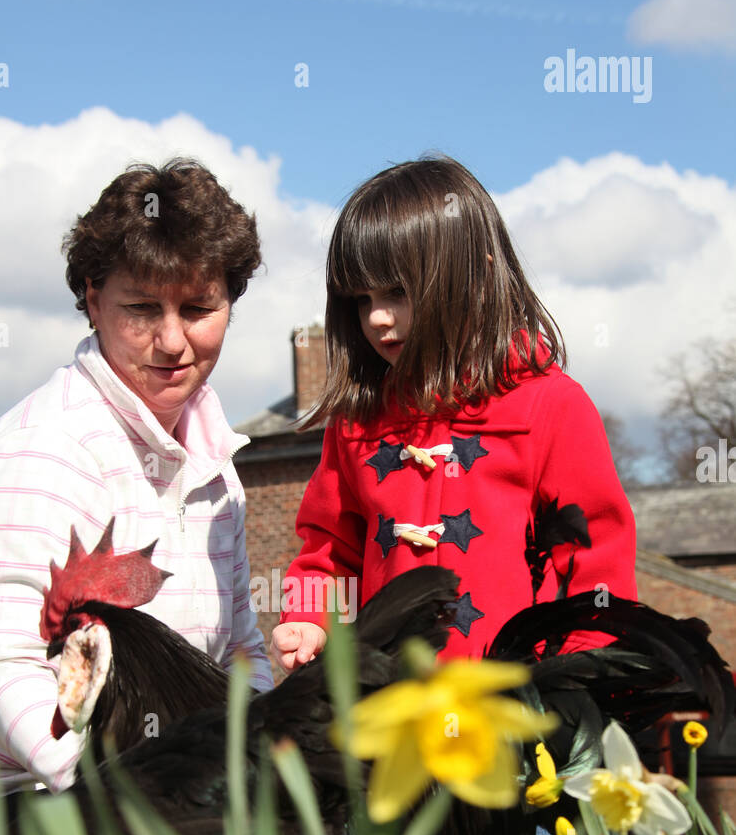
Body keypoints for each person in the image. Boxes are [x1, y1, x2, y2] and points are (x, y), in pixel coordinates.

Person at [0, 159, 272, 835]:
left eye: (199, 309)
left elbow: (240, 652)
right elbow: (3, 677)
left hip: (139, 794)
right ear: (91, 296)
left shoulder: (217, 470)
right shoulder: (38, 454)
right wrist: (150, 800)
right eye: (142, 308)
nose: (172, 341)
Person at [271, 154, 637, 676]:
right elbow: (328, 549)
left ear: (478, 276)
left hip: (516, 708)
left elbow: (595, 561)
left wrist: (586, 684)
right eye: (361, 298)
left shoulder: (552, 405)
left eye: (398, 291)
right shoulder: (357, 422)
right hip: (388, 709)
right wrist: (310, 617)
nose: (376, 317)